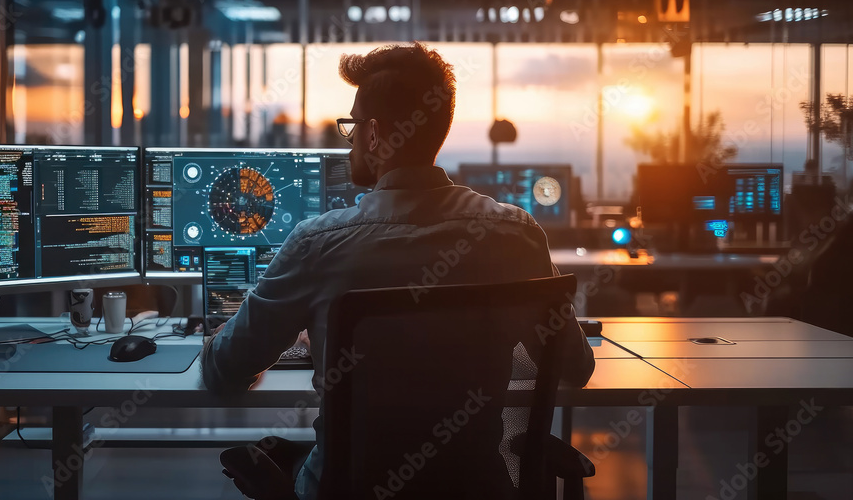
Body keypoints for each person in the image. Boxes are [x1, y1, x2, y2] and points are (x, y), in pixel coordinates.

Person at [201, 42, 595, 499]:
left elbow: (224, 371)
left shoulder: (317, 243)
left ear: (373, 136)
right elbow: (575, 365)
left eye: (351, 126)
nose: (348, 140)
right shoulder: (516, 234)